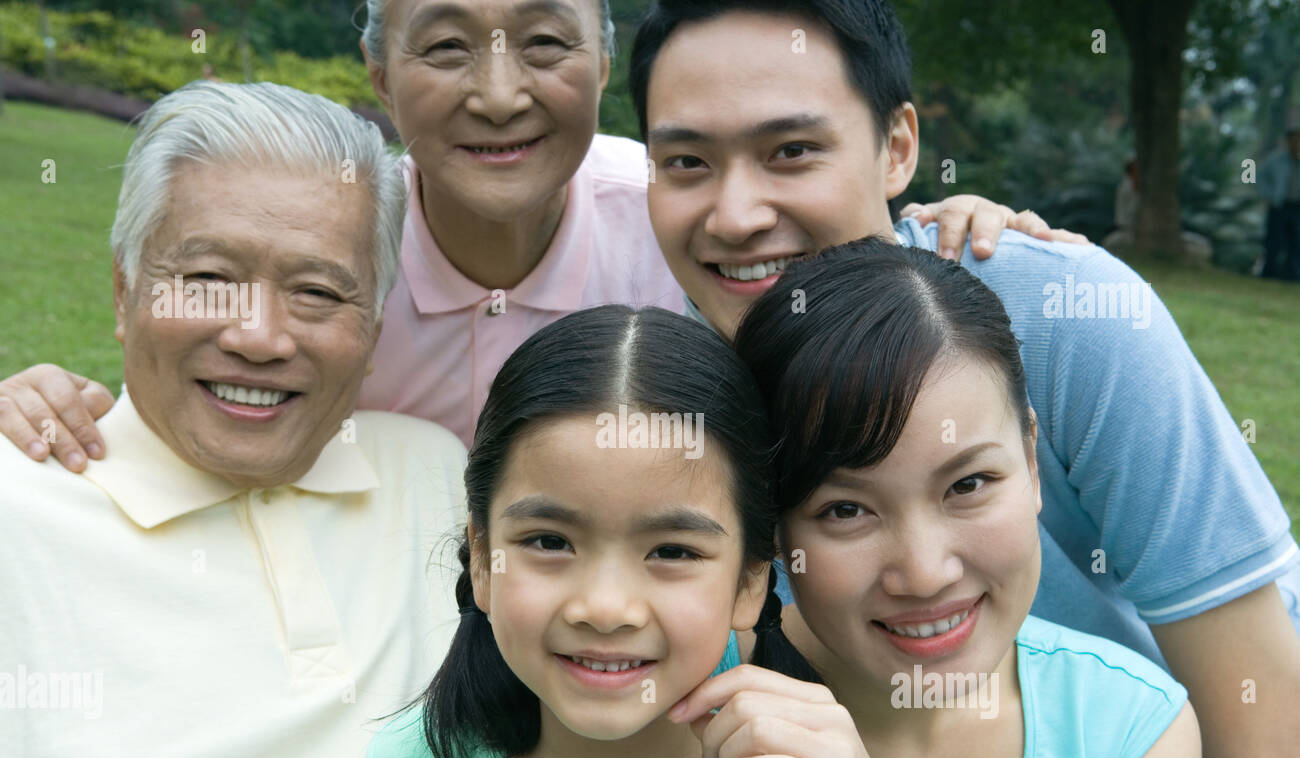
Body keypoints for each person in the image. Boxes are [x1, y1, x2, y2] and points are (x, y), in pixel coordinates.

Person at [628, 0, 1300, 758]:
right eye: (686, 162)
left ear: (898, 146)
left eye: (792, 151)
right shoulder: (678, 388)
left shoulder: (1061, 315)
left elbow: (1260, 701)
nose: (735, 213)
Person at [0, 0, 1074, 465]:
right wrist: (51, 403)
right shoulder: (327, 239)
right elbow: (206, 359)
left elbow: (842, 276)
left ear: (606, 67)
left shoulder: (686, 221)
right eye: (447, 48)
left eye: (549, 42)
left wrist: (931, 226)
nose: (500, 95)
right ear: (381, 77)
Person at [0, 80, 467, 758]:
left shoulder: (435, 476)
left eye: (318, 291)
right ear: (124, 292)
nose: (259, 336)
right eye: (209, 277)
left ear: (375, 328)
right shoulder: (19, 507)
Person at [671, 239, 1202, 758]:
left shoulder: (1128, 729)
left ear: (1031, 462)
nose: (924, 575)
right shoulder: (678, 703)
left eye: (967, 485)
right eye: (846, 510)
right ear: (772, 527)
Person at [334, 306, 834, 758]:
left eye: (672, 551)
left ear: (751, 580)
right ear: (481, 559)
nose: (604, 608)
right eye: (549, 543)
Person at [1259, 127, 1300, 281]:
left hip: (1297, 208)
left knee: (1296, 243)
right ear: (1288, 141)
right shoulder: (1275, 160)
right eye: (1295, 140)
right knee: (1273, 241)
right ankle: (1268, 273)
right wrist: (1268, 196)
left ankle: (1293, 277)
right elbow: (1260, 177)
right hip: (1279, 206)